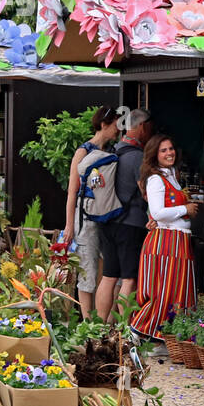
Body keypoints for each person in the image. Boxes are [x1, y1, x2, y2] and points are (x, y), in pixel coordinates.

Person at [131, 134, 198, 339]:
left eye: (171, 149)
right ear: (155, 155)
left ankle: (165, 338)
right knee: (164, 291)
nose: (169, 153)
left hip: (176, 240)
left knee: (175, 290)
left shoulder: (171, 176)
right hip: (167, 242)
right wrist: (185, 209)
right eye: (163, 150)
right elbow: (158, 212)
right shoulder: (156, 179)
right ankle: (144, 332)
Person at [96, 107, 153, 321]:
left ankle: (99, 327)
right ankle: (125, 329)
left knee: (108, 276)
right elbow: (145, 192)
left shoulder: (113, 151)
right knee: (129, 278)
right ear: (142, 127)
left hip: (107, 221)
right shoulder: (138, 157)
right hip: (130, 224)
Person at [63, 106, 120, 317]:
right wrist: (69, 225)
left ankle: (107, 321)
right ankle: (88, 322)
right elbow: (72, 191)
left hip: (108, 216)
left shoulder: (113, 151)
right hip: (85, 217)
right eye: (115, 125)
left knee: (110, 269)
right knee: (87, 269)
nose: (118, 129)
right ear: (104, 125)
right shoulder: (83, 151)